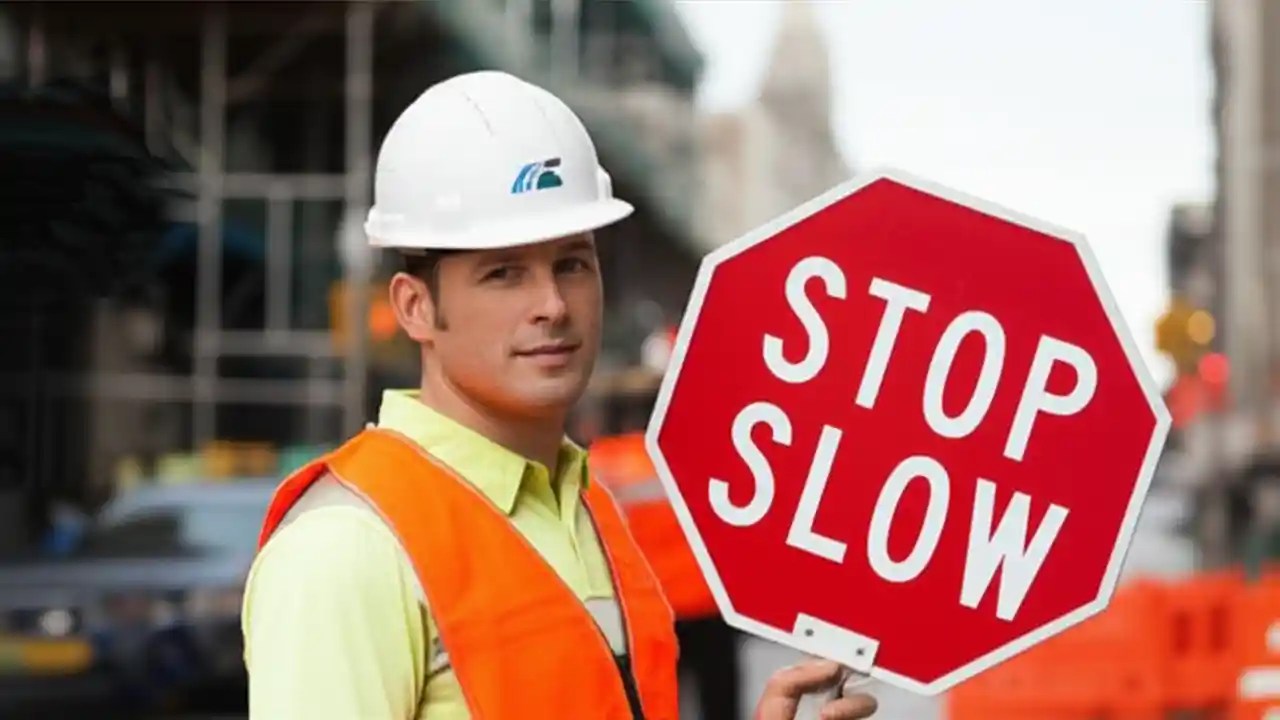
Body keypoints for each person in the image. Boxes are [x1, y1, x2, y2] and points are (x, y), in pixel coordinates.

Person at [240, 70, 878, 720]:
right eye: (504, 273)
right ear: (416, 307)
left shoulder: (591, 511)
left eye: (572, 263)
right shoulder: (345, 550)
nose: (552, 305)